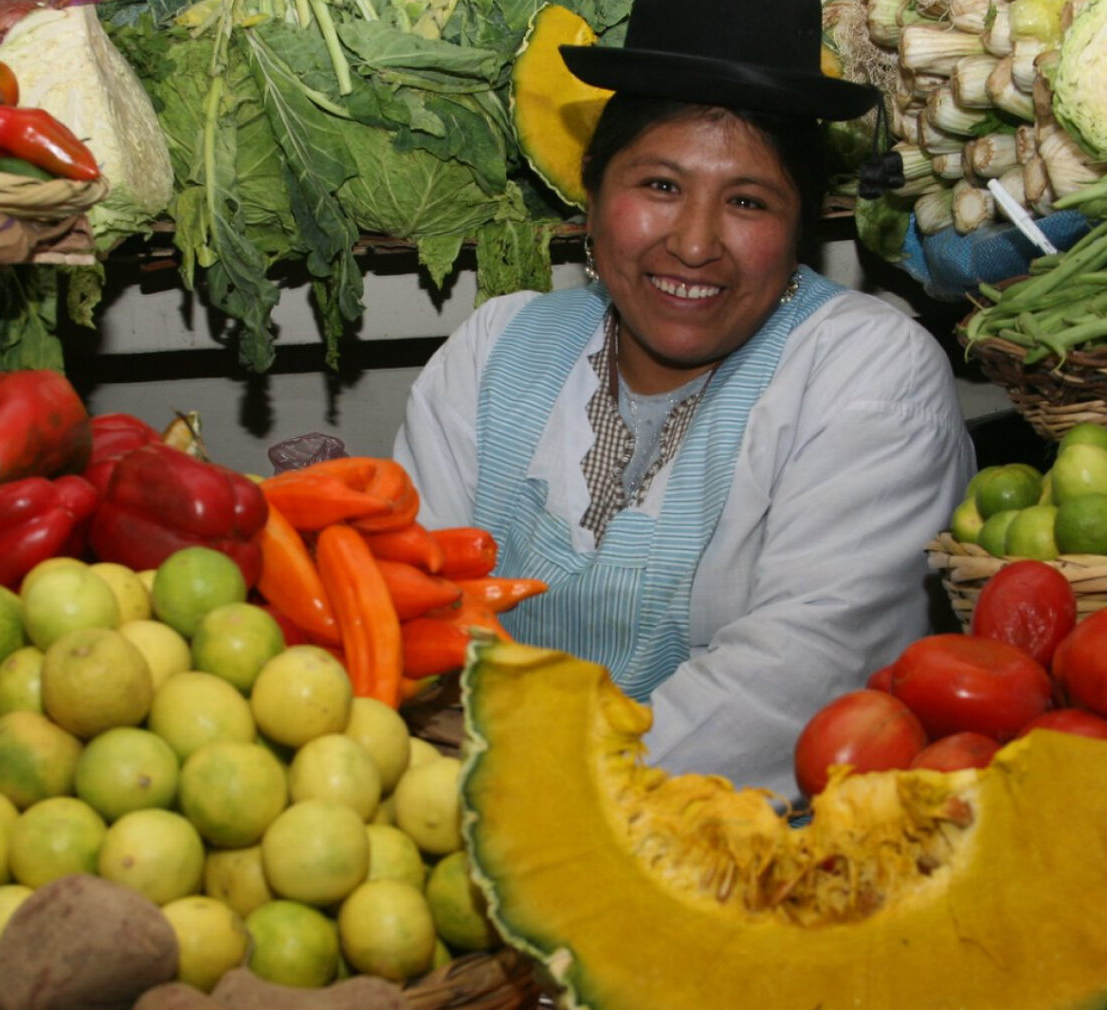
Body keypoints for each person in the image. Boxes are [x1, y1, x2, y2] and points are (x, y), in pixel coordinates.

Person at [391, 0, 975, 798]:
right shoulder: (496, 350)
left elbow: (802, 676)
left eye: (748, 201)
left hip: (742, 853)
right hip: (466, 814)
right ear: (591, 202)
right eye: (660, 184)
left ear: (799, 226)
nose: (695, 244)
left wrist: (556, 799)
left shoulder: (864, 372)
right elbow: (410, 612)